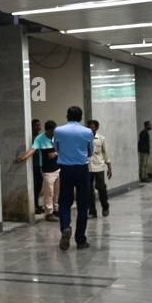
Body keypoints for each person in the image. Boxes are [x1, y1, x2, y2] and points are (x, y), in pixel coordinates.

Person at [54, 106, 94, 250]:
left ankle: (65, 227)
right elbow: (90, 152)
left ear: (67, 116)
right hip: (82, 170)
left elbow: (57, 149)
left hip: (66, 170)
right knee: (83, 204)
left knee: (64, 201)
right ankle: (80, 240)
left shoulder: (58, 131)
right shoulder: (87, 132)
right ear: (81, 117)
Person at [18, 120, 60, 216]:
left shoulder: (57, 137)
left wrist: (56, 153)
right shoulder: (40, 139)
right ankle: (49, 213)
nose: (54, 133)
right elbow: (33, 149)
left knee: (57, 191)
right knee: (49, 192)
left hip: (58, 168)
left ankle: (56, 209)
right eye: (52, 131)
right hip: (47, 170)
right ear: (47, 130)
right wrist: (23, 157)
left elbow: (61, 149)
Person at [87, 119, 112, 217]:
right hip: (87, 167)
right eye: (89, 127)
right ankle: (92, 211)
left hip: (99, 167)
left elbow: (106, 153)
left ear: (96, 128)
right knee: (89, 190)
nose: (90, 129)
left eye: (92, 127)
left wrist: (109, 167)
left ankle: (105, 206)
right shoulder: (84, 139)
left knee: (101, 188)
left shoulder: (101, 139)